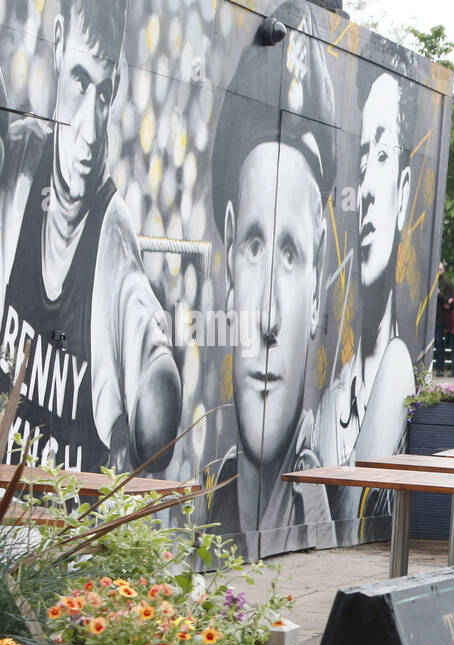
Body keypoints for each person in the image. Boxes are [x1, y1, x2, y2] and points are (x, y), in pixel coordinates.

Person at [0, 0, 181, 474]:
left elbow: (137, 316)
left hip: (66, 539)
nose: (91, 130)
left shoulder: (110, 230)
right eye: (81, 81)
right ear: (57, 44)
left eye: (104, 94)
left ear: (117, 88)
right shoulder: (21, 164)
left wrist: (152, 365)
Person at [206, 0, 336, 554]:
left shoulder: (319, 520)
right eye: (257, 246)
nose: (268, 320)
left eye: (291, 253)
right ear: (231, 254)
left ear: (319, 276)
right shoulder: (211, 503)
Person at [318, 60, 418, 522]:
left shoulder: (401, 375)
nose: (368, 191)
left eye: (381, 157)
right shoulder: (332, 404)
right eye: (362, 163)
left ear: (401, 193)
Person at [433, 263, 454, 376]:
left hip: (439, 319)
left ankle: (440, 369)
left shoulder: (446, 283)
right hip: (425, 319)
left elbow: (448, 302)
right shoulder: (427, 280)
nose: (438, 270)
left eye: (440, 269)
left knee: (438, 343)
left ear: (443, 270)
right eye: (437, 268)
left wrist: (438, 294)